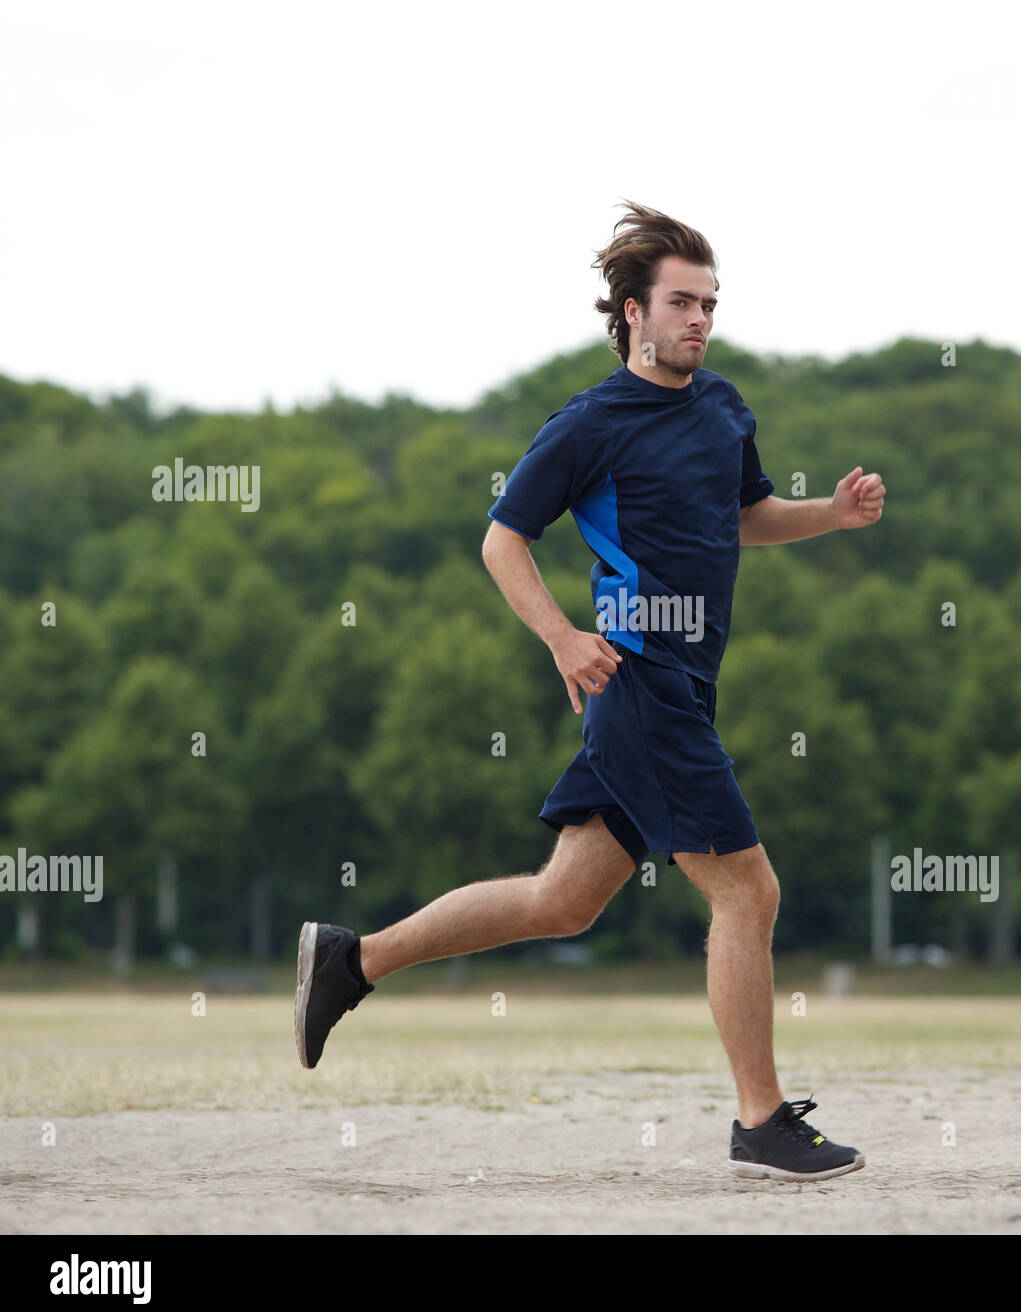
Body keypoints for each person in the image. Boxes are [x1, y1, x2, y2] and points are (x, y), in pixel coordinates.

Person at [295, 201, 886, 1182]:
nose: (699, 320)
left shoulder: (723, 408)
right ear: (630, 312)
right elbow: (501, 541)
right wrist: (565, 637)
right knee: (748, 890)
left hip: (682, 692)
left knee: (562, 902)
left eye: (710, 303)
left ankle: (351, 961)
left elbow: (742, 516)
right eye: (681, 303)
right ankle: (760, 1120)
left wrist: (828, 514)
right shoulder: (588, 425)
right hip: (638, 686)